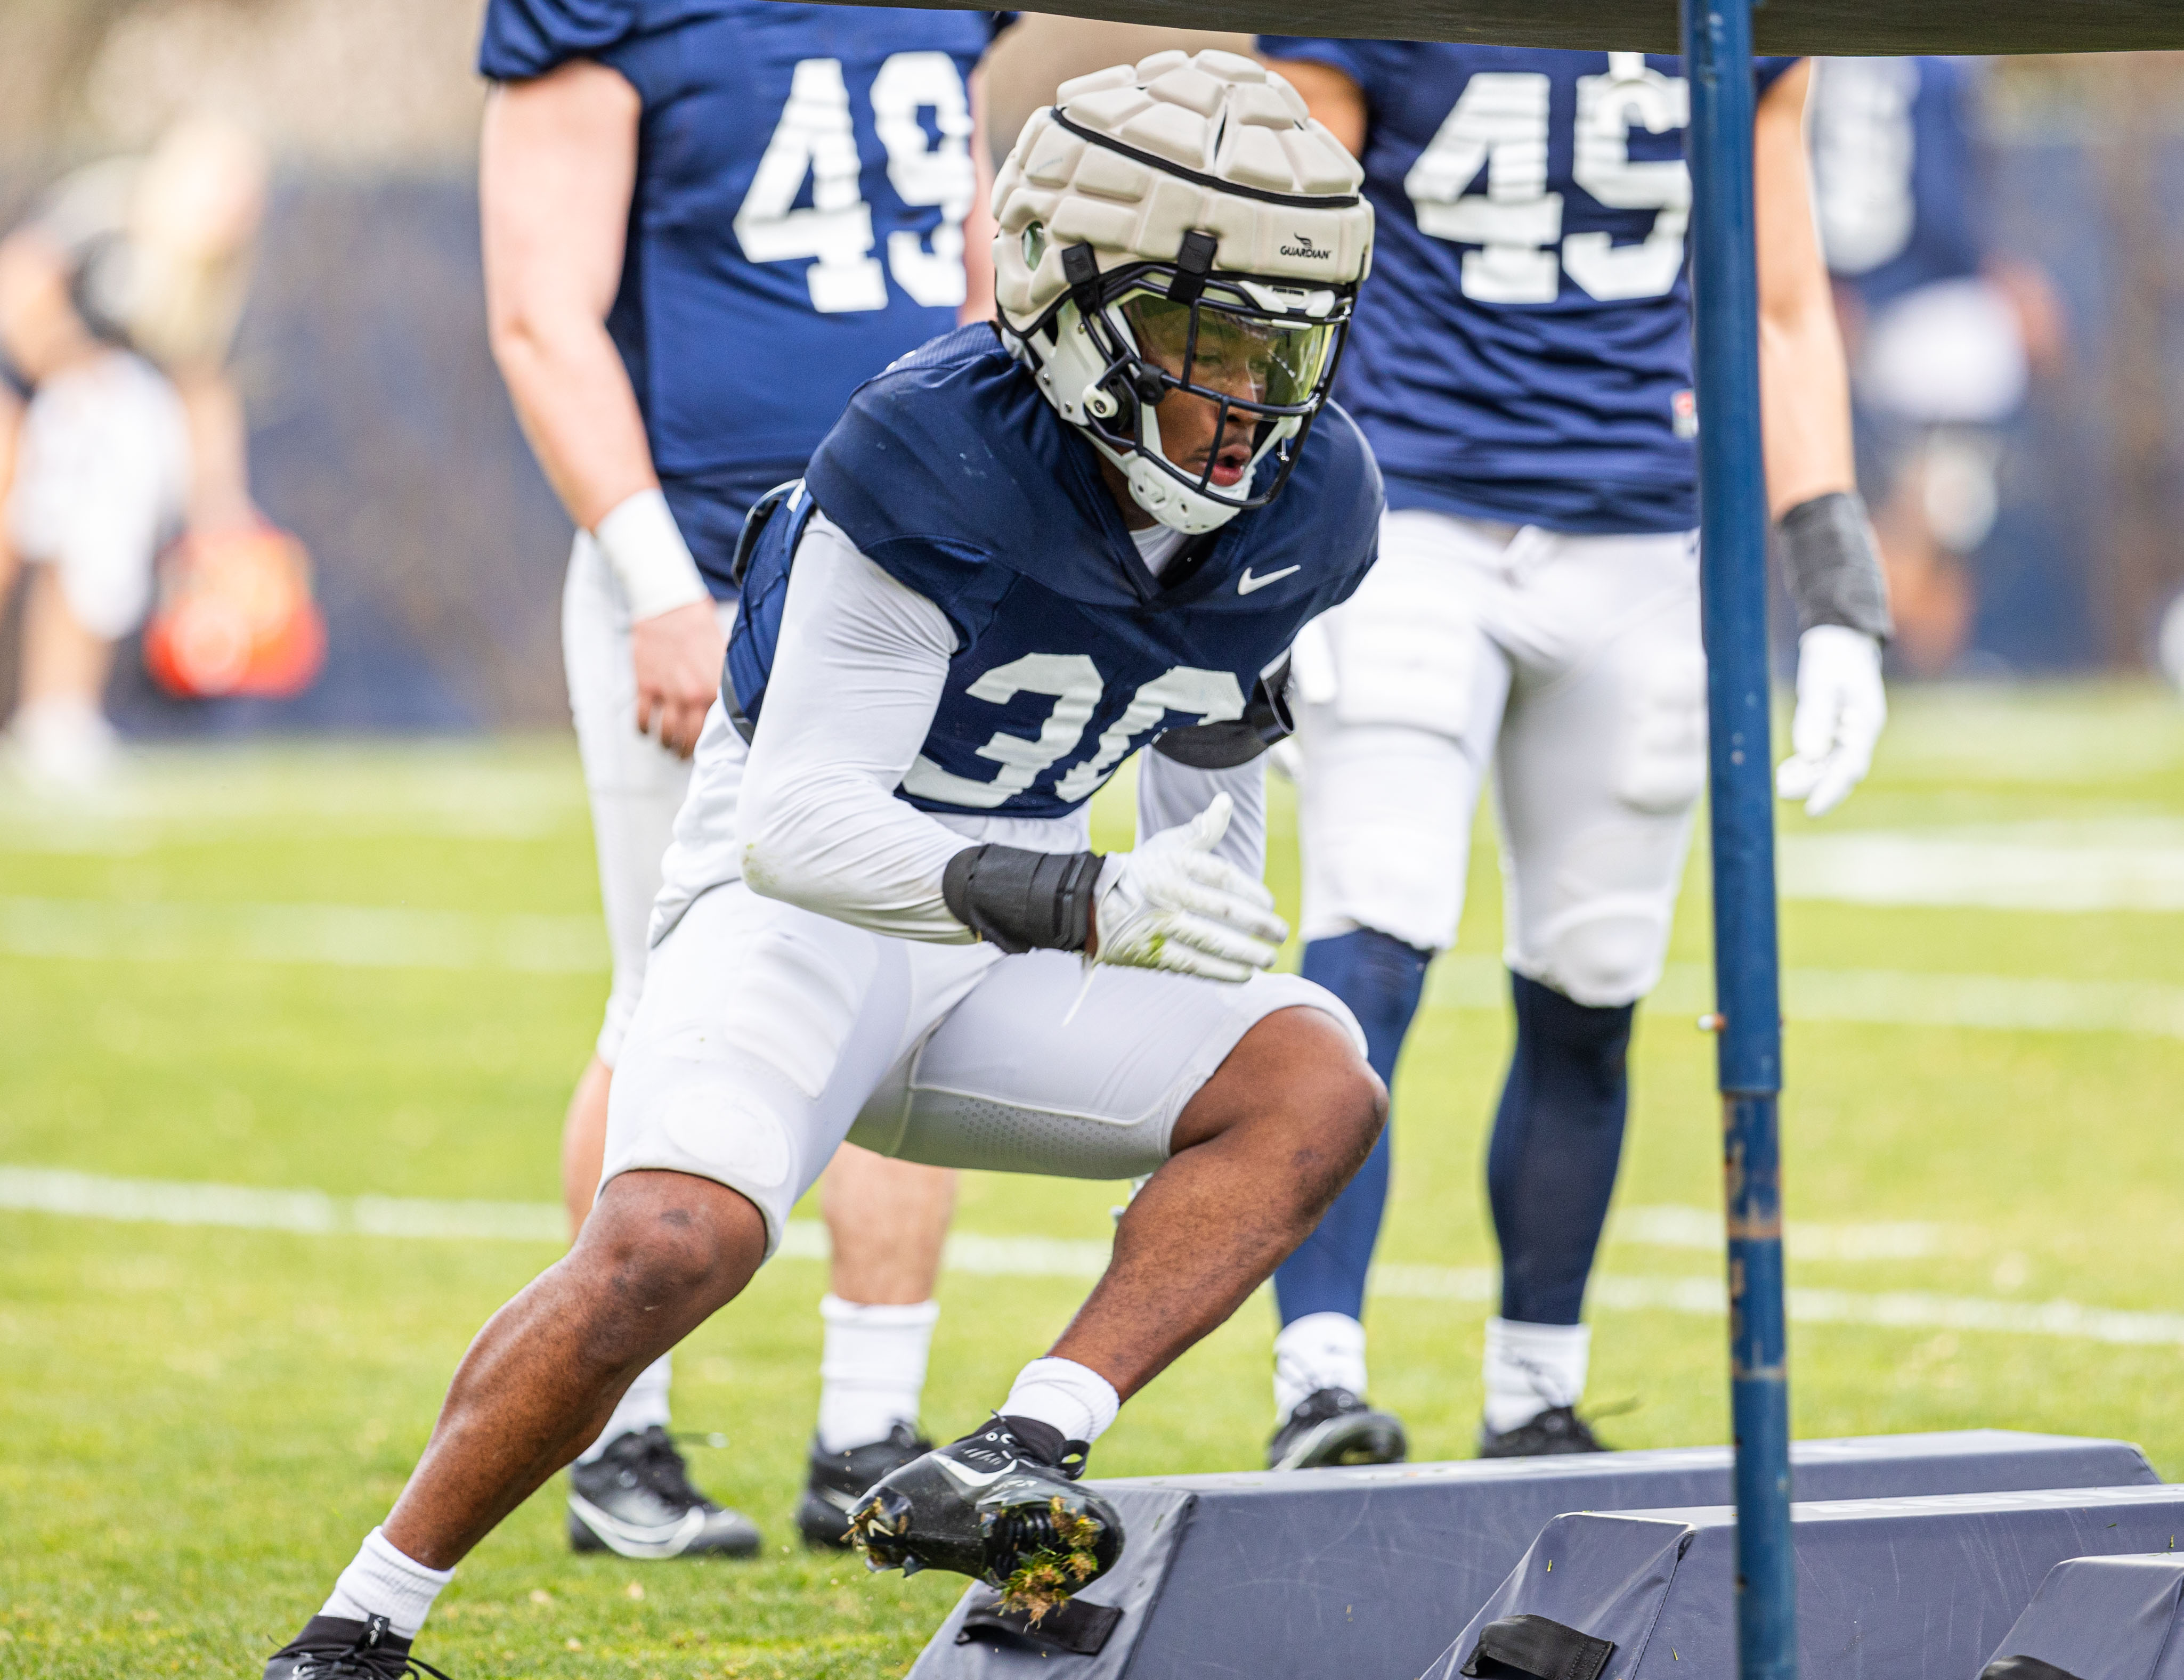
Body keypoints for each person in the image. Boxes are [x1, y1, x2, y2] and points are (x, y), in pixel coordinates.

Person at [263, 51, 1387, 1677]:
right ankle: (363, 1620)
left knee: (1314, 1081)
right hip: (793, 912)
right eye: (1204, 342)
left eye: (1284, 346)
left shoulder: (1311, 499)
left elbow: (1208, 762)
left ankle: (1025, 1445)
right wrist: (1087, 900)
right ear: (1069, 308)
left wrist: (1191, 902)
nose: (1248, 400)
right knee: (668, 1244)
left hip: (1001, 944)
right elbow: (803, 825)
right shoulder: (931, 454)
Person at [1249, 38, 1892, 1467]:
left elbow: (1778, 298)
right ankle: (1318, 1375)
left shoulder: (1736, 18)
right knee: (1375, 928)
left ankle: (1534, 1386)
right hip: (1403, 512)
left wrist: (1833, 579)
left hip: (1640, 530)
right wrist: (1270, 528)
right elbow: (1279, 257)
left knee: (1593, 976)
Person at [477, 0, 1011, 1559]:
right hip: (709, 551)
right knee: (670, 993)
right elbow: (540, 312)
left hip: (919, 550)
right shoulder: (603, 20)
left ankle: (871, 1439)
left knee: (916, 985)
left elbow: (969, 255)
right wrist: (657, 581)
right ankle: (616, 1441)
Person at [0, 118, 267, 787]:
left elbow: (202, 388)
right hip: (21, 390)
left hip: (86, 424)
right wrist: (73, 370)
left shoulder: (209, 280)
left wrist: (221, 502)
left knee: (90, 568)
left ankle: (58, 718)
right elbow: (17, 294)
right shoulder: (109, 215)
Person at [1809, 55, 2060, 676]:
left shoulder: (1836, 56)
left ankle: (1899, 655)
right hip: (1942, 319)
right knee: (1937, 518)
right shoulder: (1931, 63)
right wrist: (1994, 267)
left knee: (1922, 510)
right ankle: (1903, 655)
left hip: (1877, 311)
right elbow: (1948, 197)